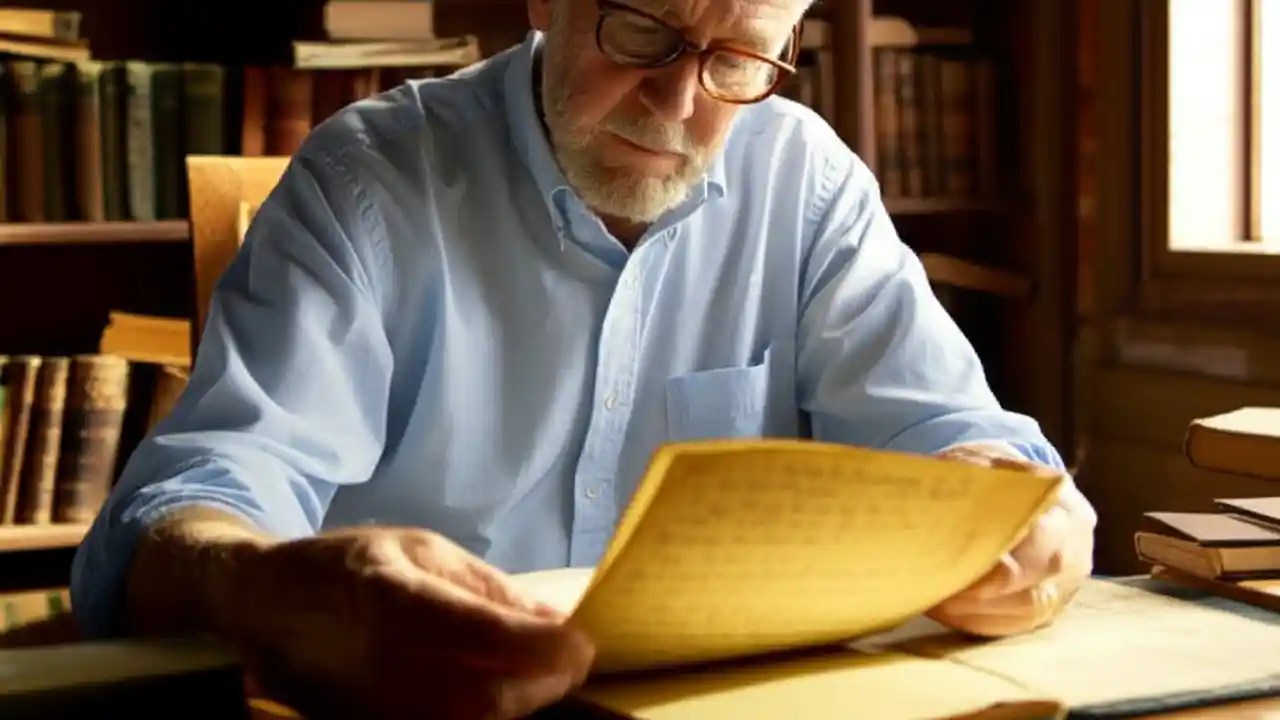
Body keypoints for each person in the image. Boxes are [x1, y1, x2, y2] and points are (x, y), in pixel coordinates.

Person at [71, 0, 1097, 717]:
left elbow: (967, 444)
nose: (678, 101)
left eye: (737, 58)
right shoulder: (366, 178)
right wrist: (283, 593)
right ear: (546, 2)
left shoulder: (808, 182)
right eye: (642, 29)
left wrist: (1026, 519)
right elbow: (187, 513)